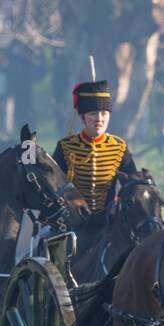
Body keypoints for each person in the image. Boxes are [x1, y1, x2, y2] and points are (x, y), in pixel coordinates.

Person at [53, 79, 135, 251]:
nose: (99, 119)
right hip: (73, 225)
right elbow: (53, 186)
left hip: (108, 226)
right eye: (93, 113)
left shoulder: (120, 148)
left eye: (104, 113)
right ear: (83, 117)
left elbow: (132, 185)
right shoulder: (65, 147)